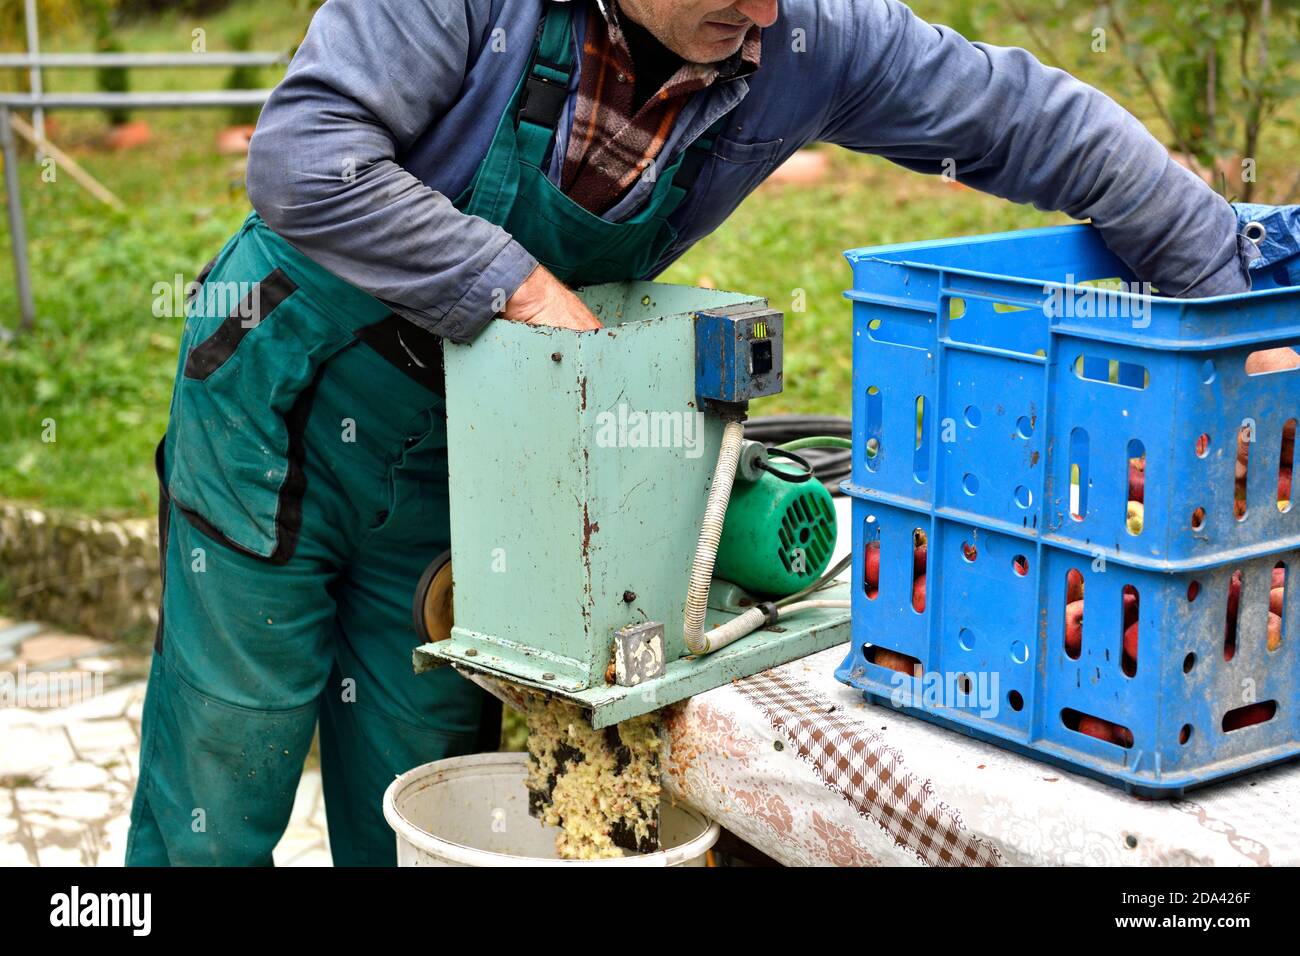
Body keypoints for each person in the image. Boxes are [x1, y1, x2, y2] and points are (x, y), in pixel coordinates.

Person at [126, 0, 1260, 866]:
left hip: (480, 462)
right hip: (283, 409)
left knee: (433, 790)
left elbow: (1030, 120)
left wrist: (1232, 308)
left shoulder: (805, 32)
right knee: (224, 772)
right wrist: (513, 283)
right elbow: (303, 156)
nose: (766, 15)